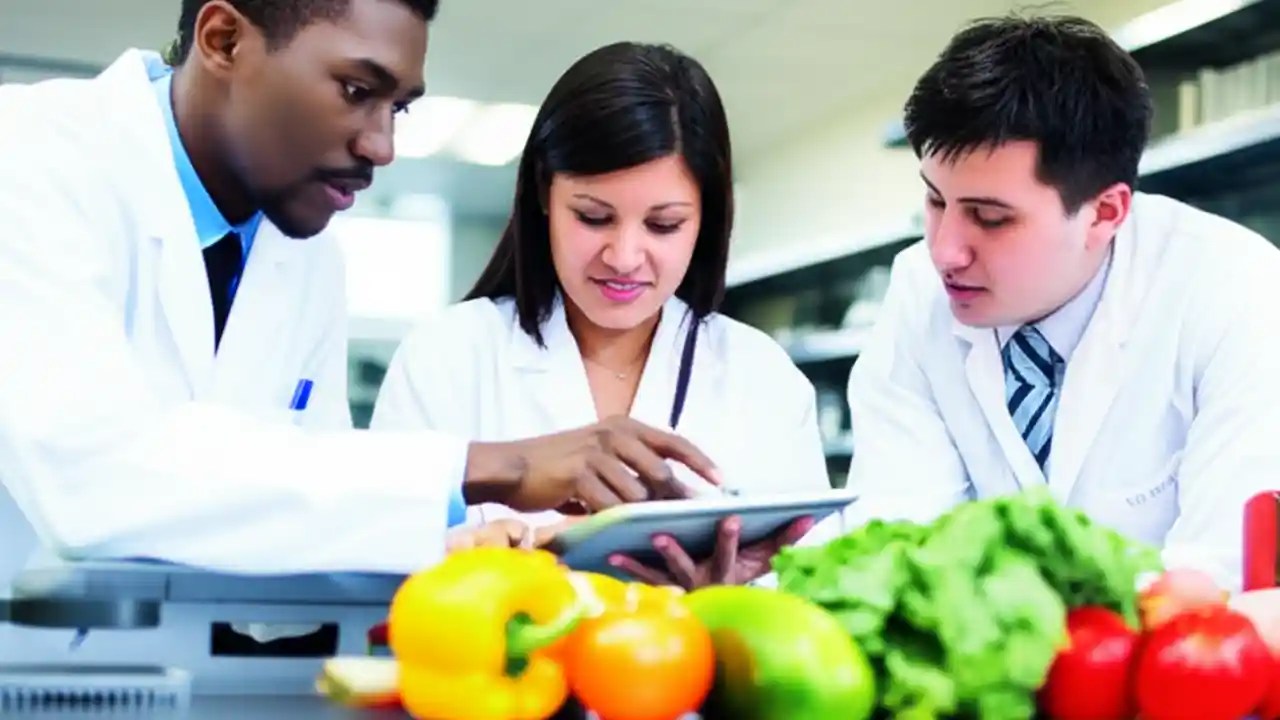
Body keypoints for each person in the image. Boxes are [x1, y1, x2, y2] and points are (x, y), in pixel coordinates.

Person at [0, 0, 721, 584]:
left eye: (398, 108)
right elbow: (89, 474)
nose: (383, 146)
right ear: (222, 39)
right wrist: (497, 465)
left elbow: (308, 511)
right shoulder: (33, 158)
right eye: (356, 91)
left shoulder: (304, 252)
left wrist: (465, 550)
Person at [828, 14, 1280, 590]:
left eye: (991, 219)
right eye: (936, 201)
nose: (944, 252)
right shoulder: (918, 289)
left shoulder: (1234, 286)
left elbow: (1220, 570)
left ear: (1105, 213)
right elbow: (898, 540)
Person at [371, 41, 829, 589]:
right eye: (593, 217)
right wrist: (466, 563)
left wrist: (736, 593)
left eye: (663, 225)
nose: (624, 257)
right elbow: (373, 565)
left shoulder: (763, 377)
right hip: (494, 669)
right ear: (544, 192)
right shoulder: (447, 356)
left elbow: (811, 583)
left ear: (707, 217)